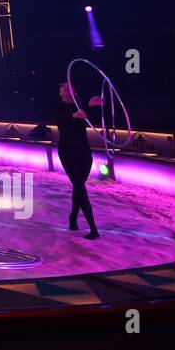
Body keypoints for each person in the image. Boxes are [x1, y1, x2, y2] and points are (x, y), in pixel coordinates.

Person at [56, 82, 101, 239]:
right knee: (80, 187)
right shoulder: (57, 107)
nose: (67, 89)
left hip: (84, 152)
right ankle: (93, 229)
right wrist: (74, 115)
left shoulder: (81, 103)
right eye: (63, 88)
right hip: (67, 153)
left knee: (79, 187)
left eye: (70, 87)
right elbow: (61, 121)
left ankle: (73, 218)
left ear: (75, 92)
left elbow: (87, 109)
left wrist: (92, 104)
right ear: (60, 93)